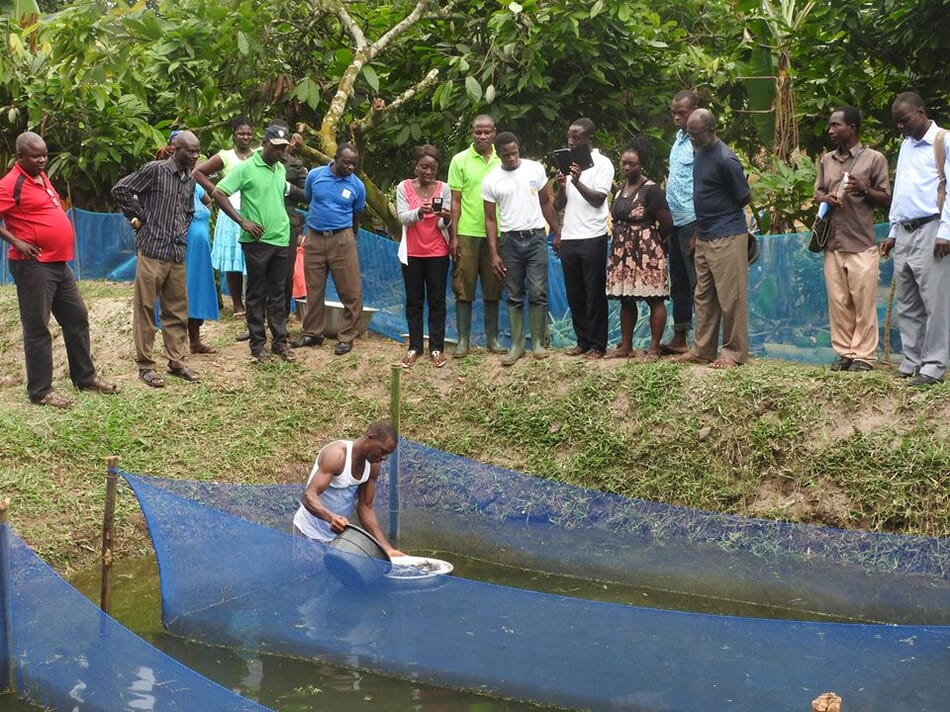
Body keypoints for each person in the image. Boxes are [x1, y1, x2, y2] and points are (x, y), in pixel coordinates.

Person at [0, 132, 116, 408]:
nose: (42, 160)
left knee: (77, 317)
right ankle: (41, 391)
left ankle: (84, 377)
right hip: (33, 265)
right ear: (20, 157)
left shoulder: (41, 177)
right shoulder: (10, 184)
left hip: (58, 263)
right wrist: (16, 241)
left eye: (44, 155)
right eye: (35, 156)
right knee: (37, 327)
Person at [112, 131, 203, 387]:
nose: (195, 156)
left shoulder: (189, 179)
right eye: (190, 151)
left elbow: (188, 211)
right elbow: (121, 189)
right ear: (175, 149)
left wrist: (182, 230)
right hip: (152, 250)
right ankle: (146, 366)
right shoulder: (155, 170)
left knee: (177, 310)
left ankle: (176, 361)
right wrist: (140, 217)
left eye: (198, 151)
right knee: (146, 309)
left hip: (176, 253)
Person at [880, 92, 950, 386]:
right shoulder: (906, 145)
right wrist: (893, 231)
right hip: (905, 231)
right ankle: (912, 360)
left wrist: (946, 231)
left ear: (921, 112)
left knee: (935, 301)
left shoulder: (943, 141)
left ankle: (933, 366)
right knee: (907, 301)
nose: (900, 127)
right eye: (897, 122)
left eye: (904, 120)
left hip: (932, 229)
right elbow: (901, 191)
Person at [814, 106, 891, 372]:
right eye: (830, 125)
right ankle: (845, 353)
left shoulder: (874, 159)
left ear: (852, 128)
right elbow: (818, 193)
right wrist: (826, 198)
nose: (830, 130)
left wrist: (864, 189)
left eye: (836, 125)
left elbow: (886, 198)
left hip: (860, 243)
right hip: (833, 243)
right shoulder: (827, 160)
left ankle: (864, 356)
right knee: (838, 302)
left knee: (863, 302)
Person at [673, 109, 751, 369]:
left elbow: (743, 197)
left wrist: (719, 218)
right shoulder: (699, 153)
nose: (692, 138)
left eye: (695, 134)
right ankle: (703, 349)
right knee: (703, 295)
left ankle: (733, 353)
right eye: (689, 134)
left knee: (730, 297)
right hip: (704, 234)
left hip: (727, 233)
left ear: (711, 131)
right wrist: (698, 232)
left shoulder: (726, 159)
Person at [211, 124, 296, 363]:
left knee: (278, 293)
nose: (280, 151)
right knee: (257, 293)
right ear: (265, 143)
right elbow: (219, 193)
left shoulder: (280, 169)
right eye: (276, 147)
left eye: (283, 148)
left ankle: (280, 342)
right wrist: (242, 221)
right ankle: (258, 345)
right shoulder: (246, 167)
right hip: (257, 241)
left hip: (281, 238)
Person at [483, 131, 561, 366]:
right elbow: (490, 219)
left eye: (514, 153)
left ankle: (538, 343)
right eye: (506, 155)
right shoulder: (491, 180)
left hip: (536, 236)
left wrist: (557, 231)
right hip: (510, 240)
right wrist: (494, 253)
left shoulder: (534, 169)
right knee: (514, 293)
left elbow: (545, 202)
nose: (511, 158)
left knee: (537, 290)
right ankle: (517, 345)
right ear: (498, 154)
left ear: (518, 149)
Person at [291, 143, 367, 356]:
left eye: (354, 164)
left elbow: (357, 214)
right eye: (346, 162)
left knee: (350, 290)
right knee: (314, 288)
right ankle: (313, 333)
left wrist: (350, 238)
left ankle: (346, 336)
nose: (350, 167)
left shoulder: (357, 186)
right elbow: (309, 198)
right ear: (335, 158)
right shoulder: (315, 176)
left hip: (342, 238)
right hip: (314, 237)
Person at [292, 420, 404, 557]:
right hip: (309, 533)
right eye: (382, 451)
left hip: (338, 538)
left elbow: (366, 507)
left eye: (387, 454)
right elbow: (309, 496)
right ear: (370, 438)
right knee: (309, 571)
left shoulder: (373, 465)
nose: (384, 457)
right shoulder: (337, 455)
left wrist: (386, 549)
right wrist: (330, 517)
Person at [605, 137, 673, 360]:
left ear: (641, 164)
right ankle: (626, 346)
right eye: (624, 163)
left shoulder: (651, 190)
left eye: (632, 164)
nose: (626, 167)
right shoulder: (619, 190)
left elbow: (666, 221)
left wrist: (654, 242)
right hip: (622, 251)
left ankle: (653, 349)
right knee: (626, 298)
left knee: (654, 298)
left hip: (646, 251)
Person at [553, 117, 614, 359]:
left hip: (593, 236)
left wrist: (576, 182)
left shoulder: (603, 164)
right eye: (569, 137)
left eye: (576, 137)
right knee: (575, 293)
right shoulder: (569, 164)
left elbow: (598, 199)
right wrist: (562, 185)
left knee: (594, 292)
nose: (571, 141)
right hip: (570, 235)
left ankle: (598, 345)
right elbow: (559, 205)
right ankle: (582, 341)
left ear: (589, 139)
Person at [447, 115, 505, 357]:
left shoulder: (504, 160)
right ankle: (463, 341)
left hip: (498, 233)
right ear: (471, 133)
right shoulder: (459, 160)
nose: (482, 136)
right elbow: (455, 201)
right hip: (467, 232)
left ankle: (493, 339)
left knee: (494, 285)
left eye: (487, 132)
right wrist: (453, 236)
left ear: (494, 132)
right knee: (463, 286)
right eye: (478, 132)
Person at [396, 144, 453, 368]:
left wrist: (445, 217)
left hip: (438, 251)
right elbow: (403, 217)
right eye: (424, 167)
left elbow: (443, 223)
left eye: (433, 168)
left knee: (437, 300)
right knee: (414, 300)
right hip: (412, 251)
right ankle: (415, 346)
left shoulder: (443, 188)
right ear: (416, 166)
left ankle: (437, 347)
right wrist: (420, 212)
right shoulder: (404, 187)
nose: (428, 172)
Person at [193, 117, 255, 318]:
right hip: (231, 210)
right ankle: (237, 304)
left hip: (254, 210)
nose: (245, 137)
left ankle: (254, 302)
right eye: (241, 133)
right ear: (234, 135)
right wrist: (216, 191)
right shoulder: (225, 156)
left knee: (254, 258)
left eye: (249, 133)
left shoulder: (259, 155)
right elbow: (198, 173)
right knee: (234, 259)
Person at [661, 90, 701, 355]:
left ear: (695, 110)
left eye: (681, 113)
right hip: (674, 222)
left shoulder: (700, 142)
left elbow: (705, 185)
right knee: (678, 283)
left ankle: (703, 341)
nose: (676, 118)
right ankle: (680, 337)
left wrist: (700, 228)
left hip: (692, 221)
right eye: (673, 113)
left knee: (697, 283)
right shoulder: (678, 140)